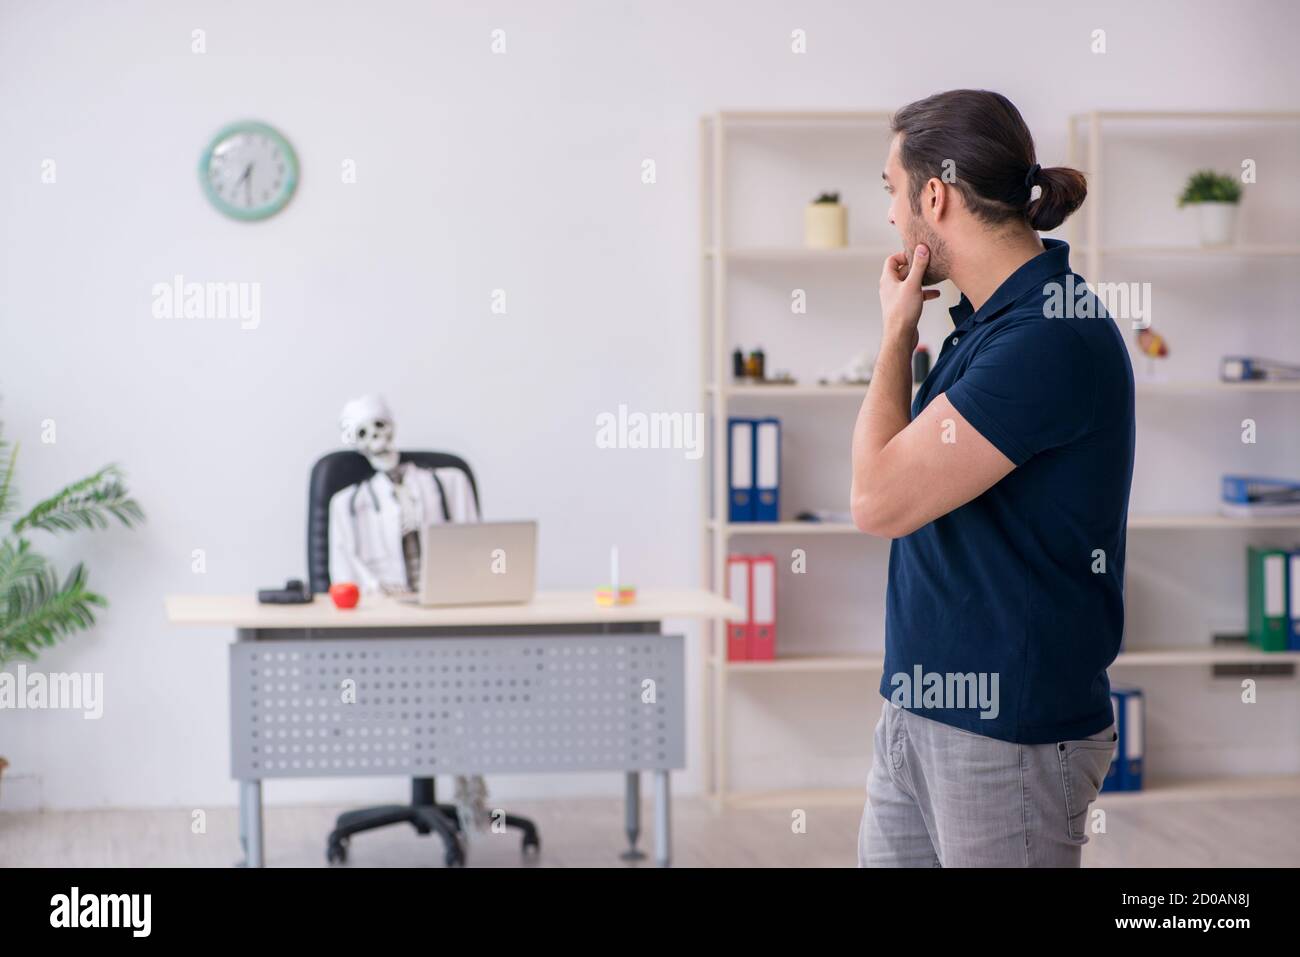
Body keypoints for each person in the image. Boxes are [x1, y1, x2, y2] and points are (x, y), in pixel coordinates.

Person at [852, 90, 1135, 867]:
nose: (889, 216)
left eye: (891, 191)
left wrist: (894, 332)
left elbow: (877, 500)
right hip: (919, 713)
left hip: (1006, 736)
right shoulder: (990, 323)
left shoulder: (1045, 337)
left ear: (933, 195)